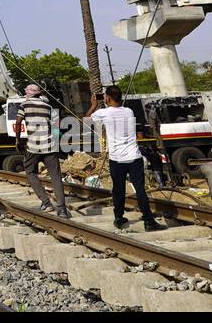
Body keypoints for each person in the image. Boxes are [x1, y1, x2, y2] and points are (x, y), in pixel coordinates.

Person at [88, 86, 163, 231]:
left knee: (118, 189)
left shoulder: (103, 113)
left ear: (108, 98)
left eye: (105, 96)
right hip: (134, 157)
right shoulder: (129, 111)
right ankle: (148, 220)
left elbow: (86, 119)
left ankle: (119, 217)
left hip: (117, 159)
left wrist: (93, 106)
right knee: (140, 189)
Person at [19, 84, 70, 218]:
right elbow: (56, 126)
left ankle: (46, 203)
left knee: (30, 172)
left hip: (33, 147)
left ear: (28, 93)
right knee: (56, 176)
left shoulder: (24, 105)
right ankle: (62, 209)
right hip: (50, 146)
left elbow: (19, 122)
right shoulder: (48, 107)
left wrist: (18, 140)